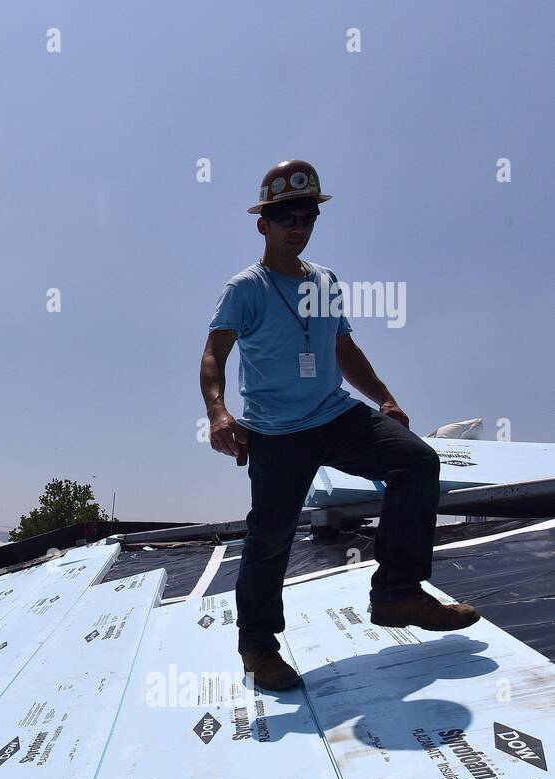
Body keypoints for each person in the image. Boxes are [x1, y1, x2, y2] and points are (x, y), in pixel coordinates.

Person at [201, 159, 479, 691]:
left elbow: (342, 347)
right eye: (286, 216)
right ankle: (258, 647)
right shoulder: (246, 289)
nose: (298, 226)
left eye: (307, 216)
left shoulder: (325, 281)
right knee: (271, 535)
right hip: (277, 431)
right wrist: (217, 410)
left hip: (334, 414)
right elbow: (214, 355)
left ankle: (397, 591)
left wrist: (385, 398)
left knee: (417, 460)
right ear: (263, 223)